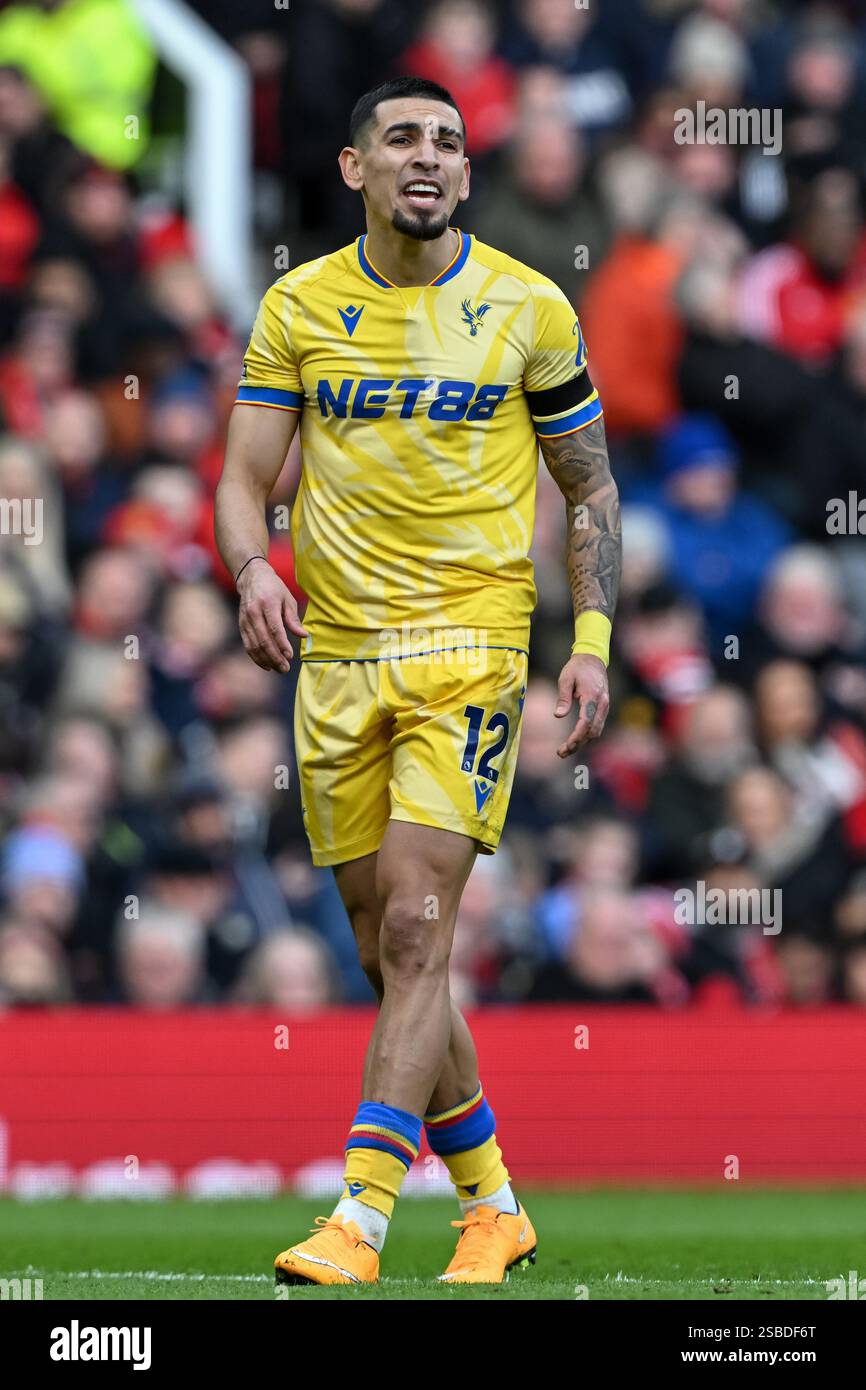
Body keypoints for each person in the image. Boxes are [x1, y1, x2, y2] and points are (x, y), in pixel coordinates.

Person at [215, 75, 621, 1286]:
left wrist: (589, 641)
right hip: (332, 656)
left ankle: (361, 1218)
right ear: (355, 170)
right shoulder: (298, 305)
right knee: (383, 947)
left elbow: (588, 486)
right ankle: (493, 1200)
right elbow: (245, 475)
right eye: (401, 138)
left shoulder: (527, 305)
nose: (429, 156)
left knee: (414, 921)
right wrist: (249, 568)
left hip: (471, 650)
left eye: (447, 140)